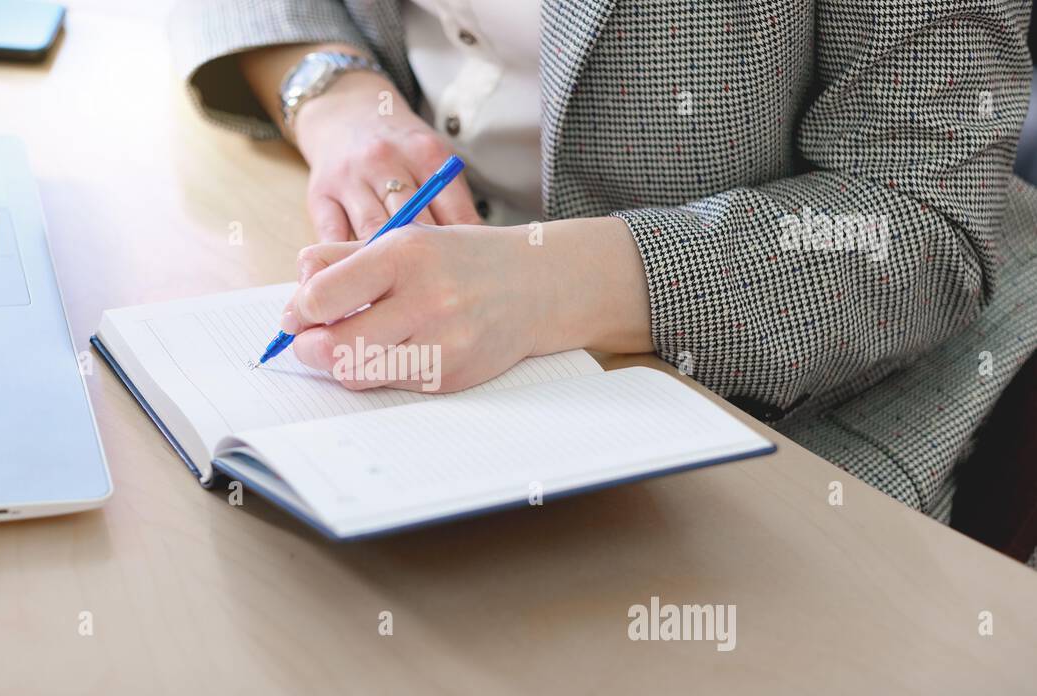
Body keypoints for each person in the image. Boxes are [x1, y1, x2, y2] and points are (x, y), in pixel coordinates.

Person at [172, 0, 1037, 527]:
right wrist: (334, 95)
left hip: (772, 416)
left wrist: (543, 281)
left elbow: (926, 218)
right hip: (411, 269)